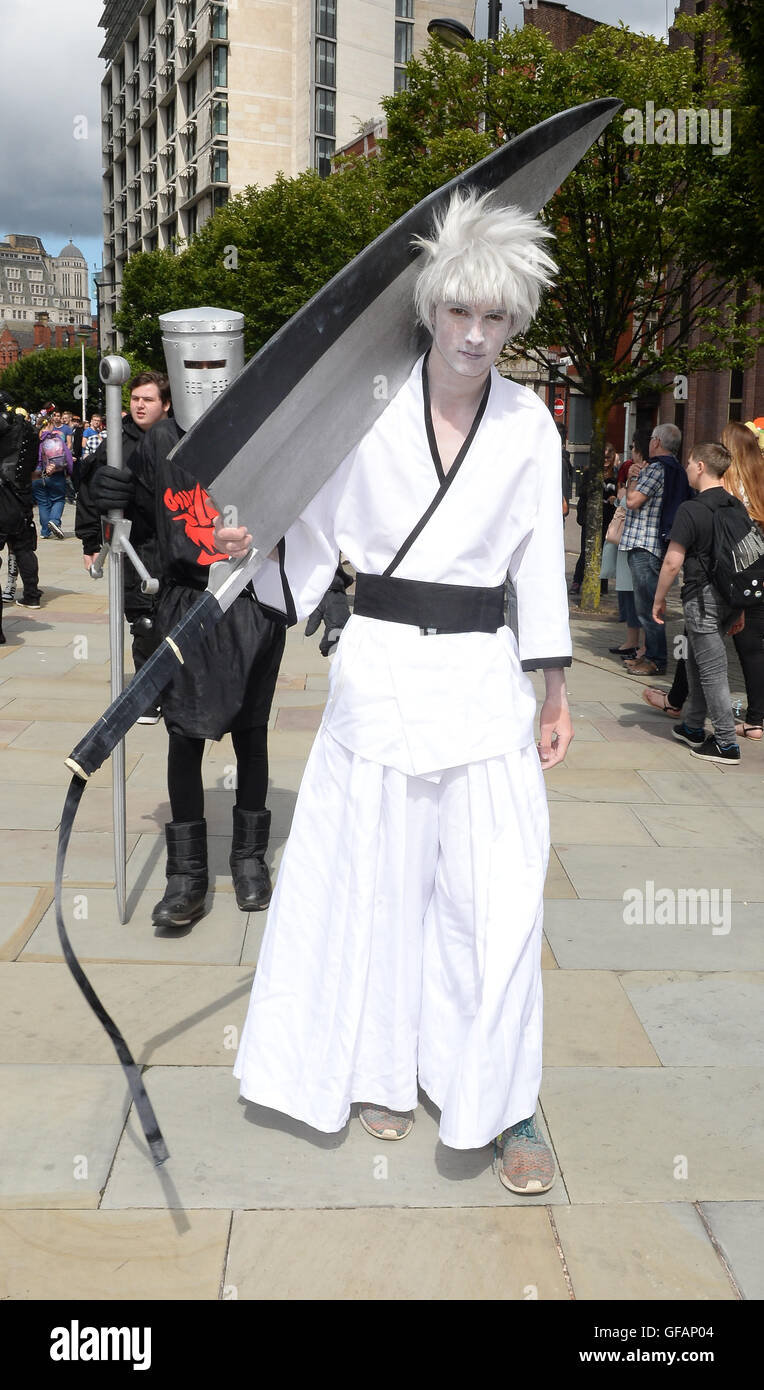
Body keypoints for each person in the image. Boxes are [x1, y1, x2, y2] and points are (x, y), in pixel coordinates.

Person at [221, 191, 574, 1195]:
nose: (473, 335)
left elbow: (539, 563)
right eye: (458, 311)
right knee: (375, 883)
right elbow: (306, 545)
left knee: (497, 899)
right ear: (429, 306)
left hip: (480, 677)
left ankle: (504, 1103)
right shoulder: (365, 407)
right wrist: (254, 541)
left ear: (514, 322)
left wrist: (552, 688)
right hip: (376, 670)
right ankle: (379, 1066)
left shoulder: (527, 425)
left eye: (494, 318)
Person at [91, 313, 287, 928]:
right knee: (183, 735)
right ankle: (188, 874)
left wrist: (327, 584)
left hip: (250, 604)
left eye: (214, 363)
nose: (205, 377)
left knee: (251, 732)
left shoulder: (260, 429)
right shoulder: (154, 441)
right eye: (192, 364)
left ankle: (250, 860)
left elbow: (299, 509)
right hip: (183, 603)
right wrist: (109, 496)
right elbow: (138, 528)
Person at [77, 376, 167, 724]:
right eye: (135, 398)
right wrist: (89, 541)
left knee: (176, 617)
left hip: (174, 544)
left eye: (148, 399)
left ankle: (177, 684)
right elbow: (89, 493)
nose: (140, 405)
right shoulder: (116, 442)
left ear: (166, 404)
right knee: (144, 621)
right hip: (133, 545)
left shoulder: (179, 437)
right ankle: (148, 696)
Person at [652, 441, 742, 765]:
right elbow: (743, 560)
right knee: (694, 661)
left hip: (702, 599)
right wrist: (740, 608)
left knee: (714, 671)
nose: (687, 467)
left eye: (690, 462)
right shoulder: (736, 506)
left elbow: (672, 562)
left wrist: (658, 600)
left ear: (701, 467)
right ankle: (692, 726)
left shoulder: (691, 509)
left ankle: (726, 742)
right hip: (729, 598)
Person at [620, 422, 685, 676]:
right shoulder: (677, 469)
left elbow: (633, 501)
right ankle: (648, 656)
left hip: (645, 544)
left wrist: (634, 476)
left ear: (656, 442)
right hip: (660, 542)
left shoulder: (656, 469)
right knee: (651, 605)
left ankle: (656, 660)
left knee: (647, 607)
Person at [721, 419, 764, 740]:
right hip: (761, 574)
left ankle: (682, 704)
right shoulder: (760, 480)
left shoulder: (729, 487)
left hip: (737, 575)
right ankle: (756, 719)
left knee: (704, 636)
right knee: (753, 648)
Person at [0, 396, 42, 627]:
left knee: (23, 547)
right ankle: (32, 594)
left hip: (4, 495)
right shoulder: (29, 429)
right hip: (23, 493)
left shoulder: (6, 426)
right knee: (24, 547)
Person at [32, 417, 72, 541]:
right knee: (58, 499)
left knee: (43, 503)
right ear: (49, 425)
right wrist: (69, 472)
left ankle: (45, 531)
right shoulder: (56, 438)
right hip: (55, 474)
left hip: (36, 475)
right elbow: (68, 457)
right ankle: (54, 521)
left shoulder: (34, 439)